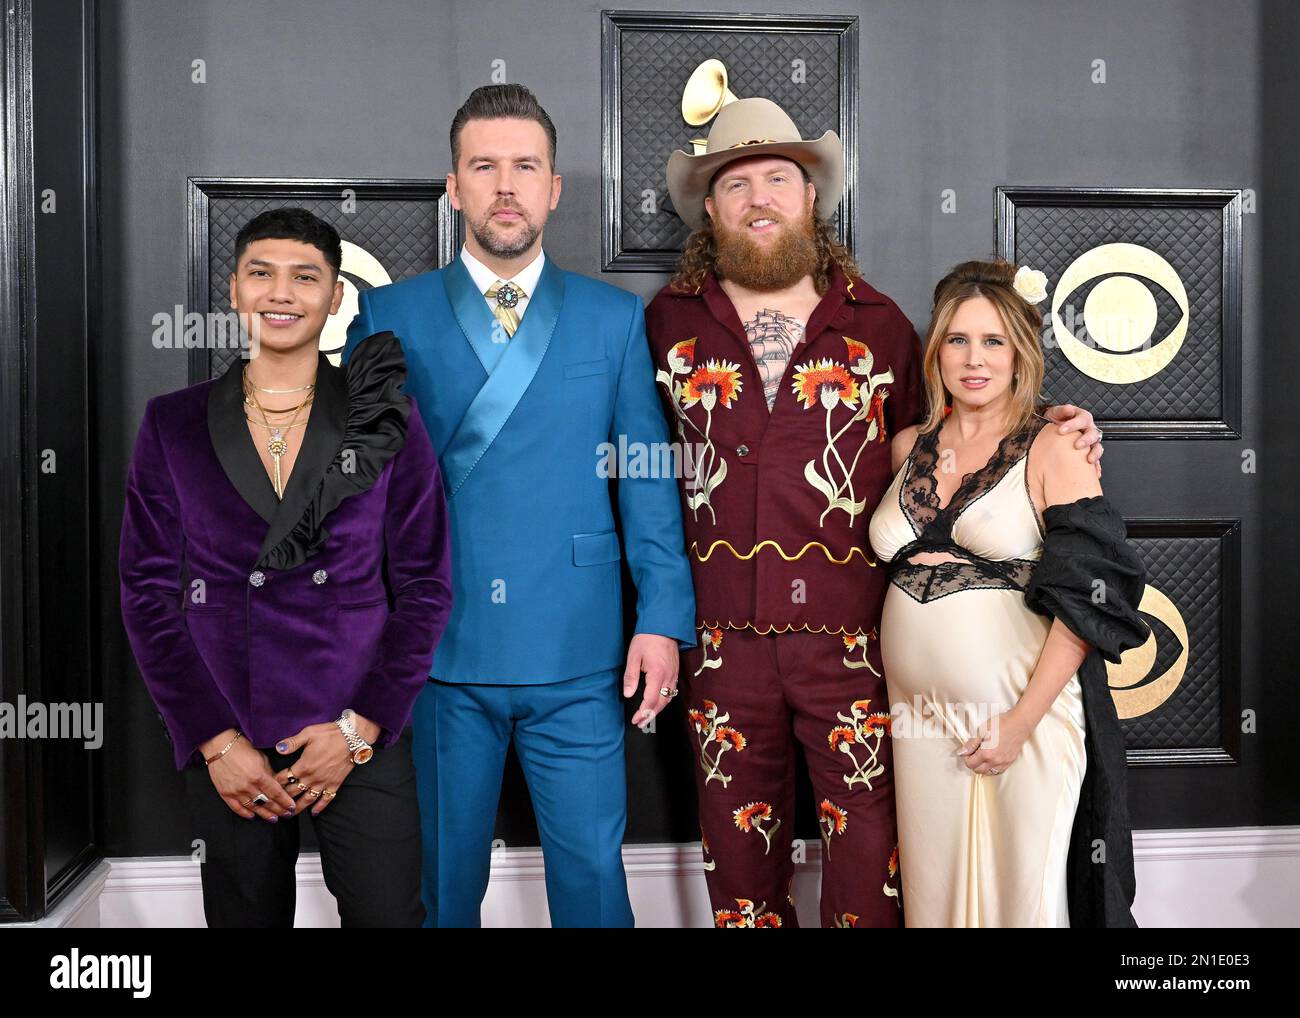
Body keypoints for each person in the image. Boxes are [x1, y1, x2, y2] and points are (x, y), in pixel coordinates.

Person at [646, 97, 1105, 927]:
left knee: (872, 865)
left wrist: (1060, 426)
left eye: (778, 178)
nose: (759, 198)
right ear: (710, 208)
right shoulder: (661, 326)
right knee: (738, 871)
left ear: (810, 196)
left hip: (856, 646)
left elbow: (958, 440)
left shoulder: (882, 327)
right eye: (736, 182)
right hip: (718, 646)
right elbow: (638, 476)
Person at [343, 84, 696, 928]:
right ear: (454, 186)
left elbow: (645, 475)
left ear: (555, 187)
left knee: (593, 884)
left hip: (579, 648)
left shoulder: (613, 319)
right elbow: (357, 493)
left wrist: (662, 617)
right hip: (435, 652)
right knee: (439, 884)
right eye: (485, 166)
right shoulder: (389, 315)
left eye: (525, 166)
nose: (506, 186)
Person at [119, 208, 453, 927]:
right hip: (231, 731)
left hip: (357, 733)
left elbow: (426, 588)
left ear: (336, 297)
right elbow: (146, 594)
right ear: (234, 290)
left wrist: (359, 732)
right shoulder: (171, 423)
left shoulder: (388, 419)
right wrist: (214, 741)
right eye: (260, 273)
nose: (281, 293)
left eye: (305, 277)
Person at [867, 257, 1149, 927]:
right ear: (936, 352)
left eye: (994, 341)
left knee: (1025, 906)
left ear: (1021, 354)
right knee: (934, 907)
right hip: (919, 723)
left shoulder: (1055, 446)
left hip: (1023, 722)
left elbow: (1092, 594)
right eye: (958, 340)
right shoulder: (906, 444)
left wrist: (1020, 723)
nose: (974, 358)